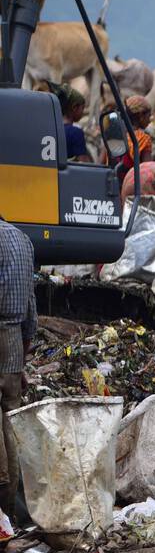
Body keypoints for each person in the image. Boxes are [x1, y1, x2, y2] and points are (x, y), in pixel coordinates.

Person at [0, 218, 36, 520]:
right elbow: (30, 309)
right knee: (10, 422)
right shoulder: (22, 240)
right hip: (12, 337)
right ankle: (10, 513)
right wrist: (21, 362)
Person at [57, 87, 91, 163]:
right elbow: (85, 165)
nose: (83, 112)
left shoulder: (51, 130)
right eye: (82, 108)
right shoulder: (76, 132)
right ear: (74, 108)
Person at [121, 94, 154, 168]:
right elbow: (147, 169)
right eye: (149, 116)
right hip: (132, 179)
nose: (150, 120)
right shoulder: (143, 138)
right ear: (141, 115)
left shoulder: (115, 135)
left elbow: (100, 164)